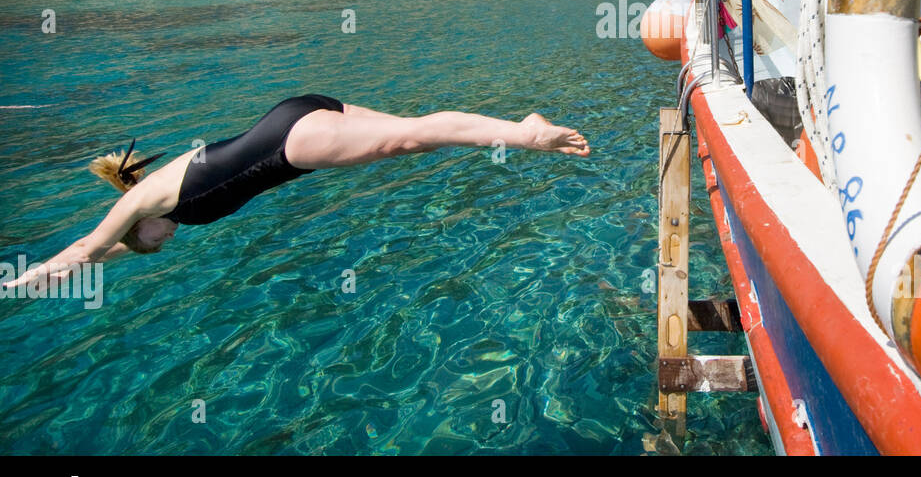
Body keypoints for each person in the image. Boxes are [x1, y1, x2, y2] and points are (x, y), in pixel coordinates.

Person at [3, 94, 590, 288]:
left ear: (140, 227)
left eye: (153, 243)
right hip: (299, 113)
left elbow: (86, 248)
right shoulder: (154, 205)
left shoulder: (142, 203)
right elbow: (100, 255)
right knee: (415, 135)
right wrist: (73, 267)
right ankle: (517, 127)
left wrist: (26, 278)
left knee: (411, 139)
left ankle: (525, 134)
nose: (165, 240)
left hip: (292, 143)